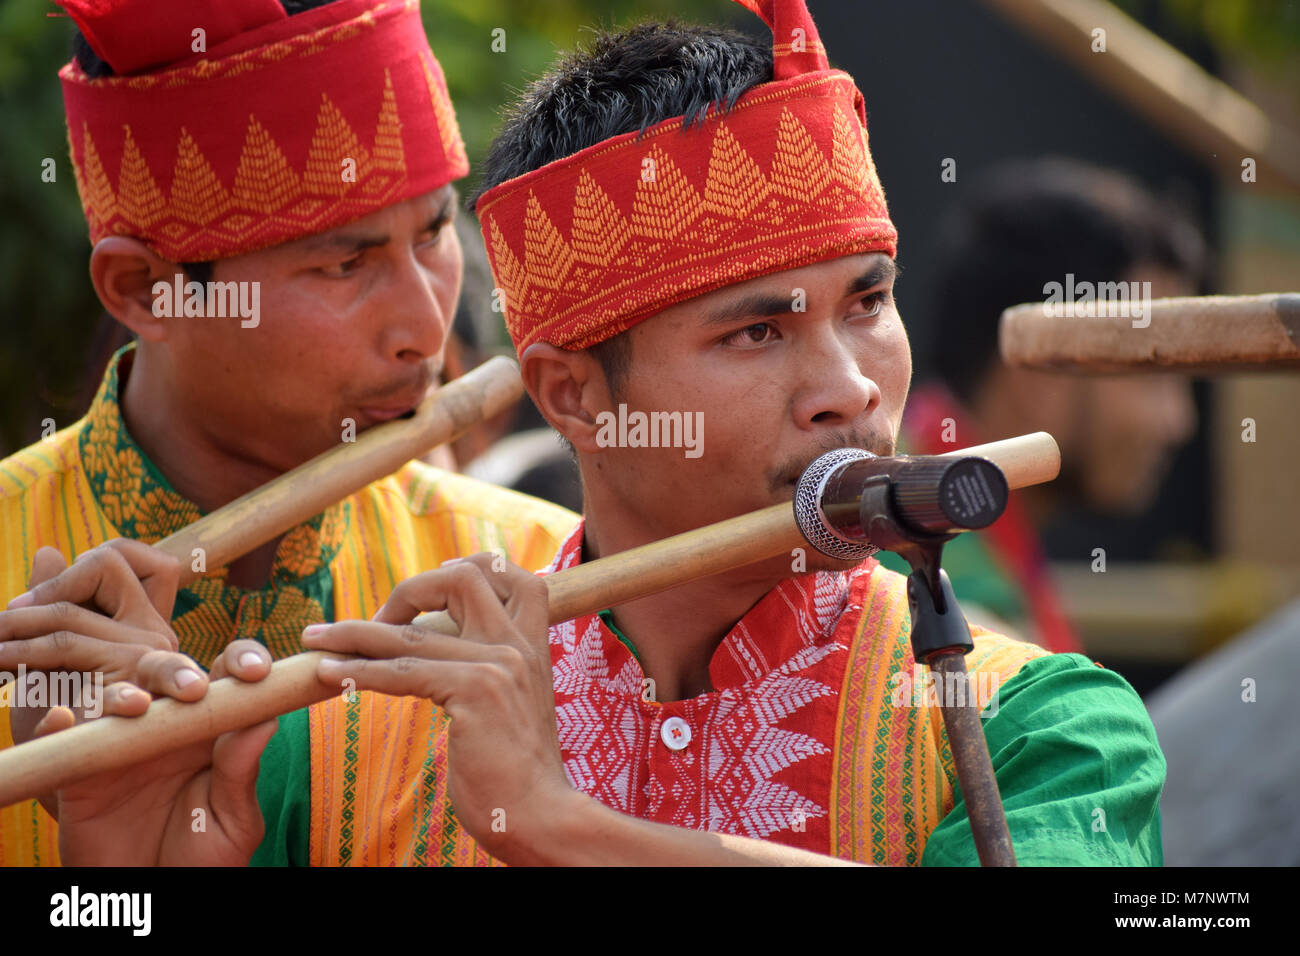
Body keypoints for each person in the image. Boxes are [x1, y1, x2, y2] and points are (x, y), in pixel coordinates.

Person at [6, 0, 1164, 866]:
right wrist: (121, 873)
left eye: (866, 302)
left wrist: (560, 827)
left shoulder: (1048, 732)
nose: (848, 388)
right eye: (758, 333)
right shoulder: (340, 746)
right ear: (570, 398)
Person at [0, 0, 578, 866]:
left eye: (432, 236)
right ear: (145, 289)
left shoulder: (543, 577)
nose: (426, 328)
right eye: (345, 264)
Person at [876, 159, 1206, 651]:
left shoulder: (937, 508)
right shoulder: (941, 580)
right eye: (1151, 373)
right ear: (1038, 371)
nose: (1180, 421)